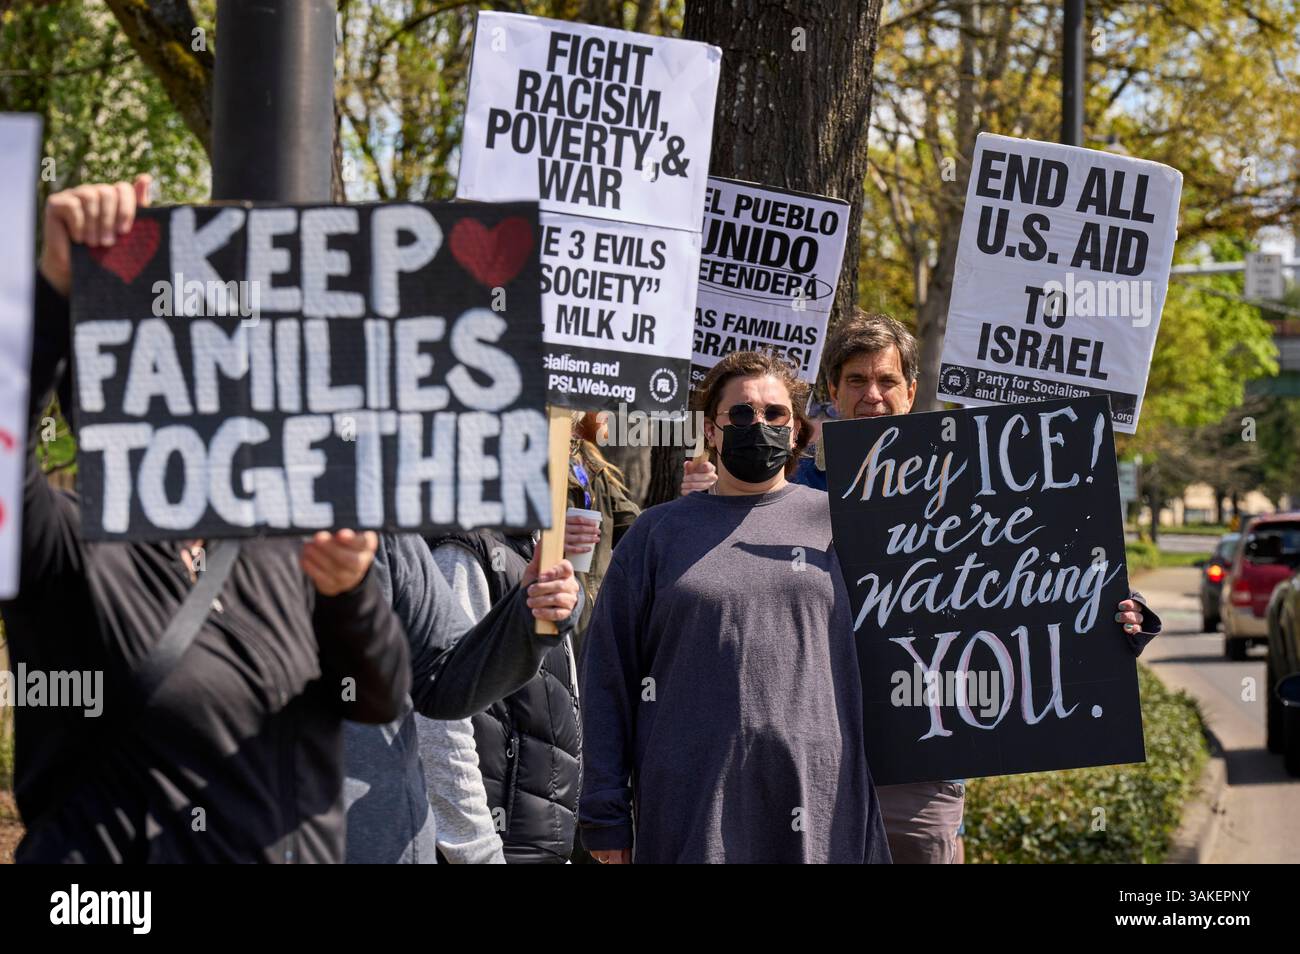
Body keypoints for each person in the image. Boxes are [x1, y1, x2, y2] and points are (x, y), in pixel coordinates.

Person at [8, 176, 579, 863]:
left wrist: (527, 616)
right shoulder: (66, 543)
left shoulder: (338, 519)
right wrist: (49, 290)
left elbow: (432, 679)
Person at [682, 314, 1162, 864]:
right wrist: (708, 501)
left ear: (911, 390)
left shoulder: (971, 480)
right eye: (857, 381)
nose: (873, 395)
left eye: (887, 380)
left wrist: (1121, 616)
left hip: (922, 765)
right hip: (807, 762)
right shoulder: (784, 488)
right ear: (832, 392)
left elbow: (1047, 580)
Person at [580, 350, 892, 864]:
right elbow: (607, 680)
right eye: (741, 414)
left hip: (820, 802)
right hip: (690, 806)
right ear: (710, 431)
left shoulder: (844, 525)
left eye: (774, 414)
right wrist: (605, 814)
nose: (758, 424)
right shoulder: (655, 535)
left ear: (797, 432)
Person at [343, 531, 582, 864]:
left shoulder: (530, 549)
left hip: (530, 844)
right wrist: (479, 850)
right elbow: (440, 731)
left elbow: (442, 679)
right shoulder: (460, 548)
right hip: (490, 846)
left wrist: (536, 616)